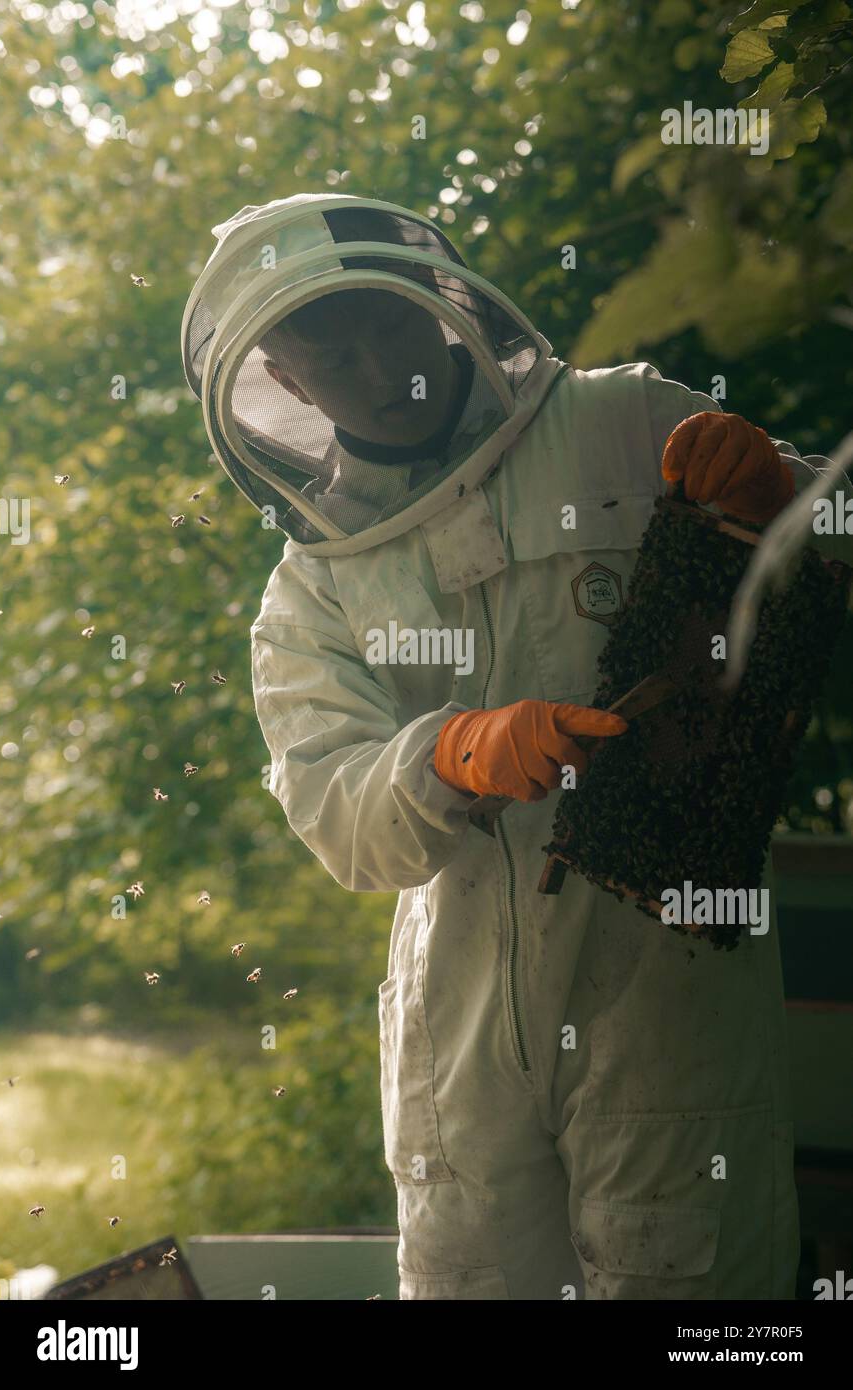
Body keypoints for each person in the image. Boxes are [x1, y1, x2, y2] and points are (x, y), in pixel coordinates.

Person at [181, 192, 833, 1300]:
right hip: (459, 1021)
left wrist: (790, 501)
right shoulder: (310, 591)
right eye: (329, 351)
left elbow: (819, 548)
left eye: (384, 324)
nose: (379, 367)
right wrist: (451, 755)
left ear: (434, 299)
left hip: (668, 983)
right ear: (280, 378)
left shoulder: (622, 423)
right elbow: (338, 816)